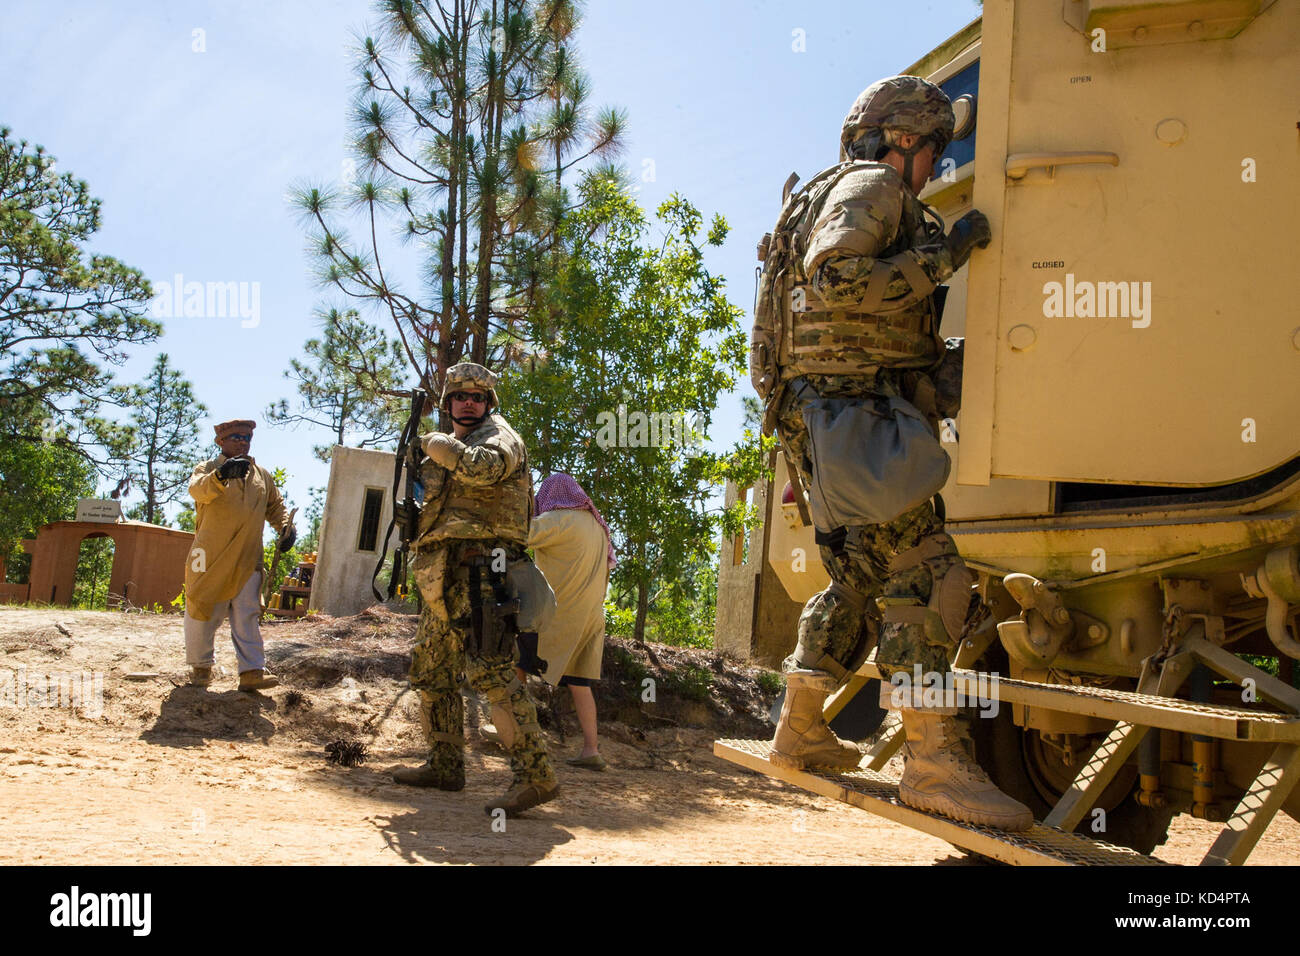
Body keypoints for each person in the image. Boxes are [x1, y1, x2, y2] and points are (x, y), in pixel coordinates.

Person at [762, 75, 1032, 831]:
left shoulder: (812, 196)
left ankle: (799, 730)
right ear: (903, 140)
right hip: (857, 420)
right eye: (933, 149)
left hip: (822, 421)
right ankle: (934, 765)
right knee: (929, 574)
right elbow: (840, 276)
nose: (935, 165)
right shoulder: (874, 185)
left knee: (855, 579)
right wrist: (941, 258)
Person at [392, 363, 559, 817]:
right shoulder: (445, 447)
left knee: (491, 673)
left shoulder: (498, 436)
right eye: (459, 396)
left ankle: (536, 776)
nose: (468, 403)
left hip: (484, 571)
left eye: (477, 397)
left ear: (488, 404)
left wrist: (437, 444)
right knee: (432, 672)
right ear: (448, 404)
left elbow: (485, 470)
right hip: (441, 576)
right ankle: (445, 765)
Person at [184, 419, 295, 692]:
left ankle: (252, 672)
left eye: (246, 438)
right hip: (208, 556)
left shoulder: (261, 475)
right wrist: (221, 475)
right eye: (236, 437)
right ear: (220, 441)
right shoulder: (207, 469)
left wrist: (286, 528)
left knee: (247, 613)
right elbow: (197, 490)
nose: (242, 442)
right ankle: (200, 668)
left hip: (247, 556)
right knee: (201, 608)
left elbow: (276, 506)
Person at [525, 473, 615, 771]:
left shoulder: (559, 520)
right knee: (579, 683)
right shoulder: (598, 529)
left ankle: (510, 729)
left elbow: (520, 534)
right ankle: (591, 750)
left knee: (517, 661)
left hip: (558, 616)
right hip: (591, 619)